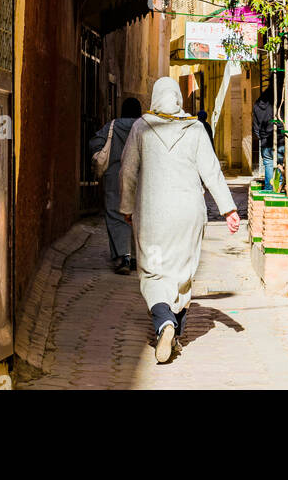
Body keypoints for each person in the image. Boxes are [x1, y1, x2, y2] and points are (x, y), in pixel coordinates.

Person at [119, 76, 240, 364]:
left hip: (152, 214)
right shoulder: (196, 128)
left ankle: (165, 324)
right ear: (178, 99)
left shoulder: (140, 128)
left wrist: (126, 207)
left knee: (153, 271)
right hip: (188, 213)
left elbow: (127, 172)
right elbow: (211, 172)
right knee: (182, 273)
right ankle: (175, 336)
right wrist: (229, 209)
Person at [89, 96, 143, 273]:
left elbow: (95, 143)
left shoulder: (113, 126)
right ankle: (136, 257)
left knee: (115, 214)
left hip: (115, 177)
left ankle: (123, 257)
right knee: (137, 215)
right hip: (139, 177)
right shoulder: (143, 126)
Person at [252, 81, 285, 191]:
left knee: (268, 167)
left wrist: (262, 137)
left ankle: (269, 192)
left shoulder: (257, 105)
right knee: (281, 168)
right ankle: (279, 192)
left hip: (266, 142)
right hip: (280, 140)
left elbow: (255, 127)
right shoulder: (280, 103)